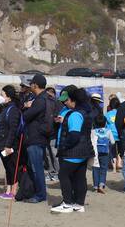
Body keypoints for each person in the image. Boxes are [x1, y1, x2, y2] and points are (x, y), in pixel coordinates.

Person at [51, 86, 95, 214]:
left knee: (63, 175)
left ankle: (67, 203)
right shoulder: (84, 112)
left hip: (73, 152)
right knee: (80, 177)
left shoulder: (75, 114)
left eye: (67, 101)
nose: (65, 103)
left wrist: (65, 146)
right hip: (83, 152)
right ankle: (79, 204)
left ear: (73, 100)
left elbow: (74, 135)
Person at [20, 74, 56, 203]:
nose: (30, 86)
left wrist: (27, 107)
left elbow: (26, 116)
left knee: (37, 168)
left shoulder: (39, 100)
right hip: (43, 136)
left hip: (35, 137)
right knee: (35, 166)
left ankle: (40, 194)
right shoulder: (48, 98)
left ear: (35, 85)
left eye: (31, 84)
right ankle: (37, 191)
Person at [89, 92, 116, 195]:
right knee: (104, 168)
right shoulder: (108, 131)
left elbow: (92, 142)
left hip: (95, 152)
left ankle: (95, 185)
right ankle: (101, 184)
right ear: (105, 123)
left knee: (95, 167)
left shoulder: (93, 131)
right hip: (105, 152)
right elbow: (113, 142)